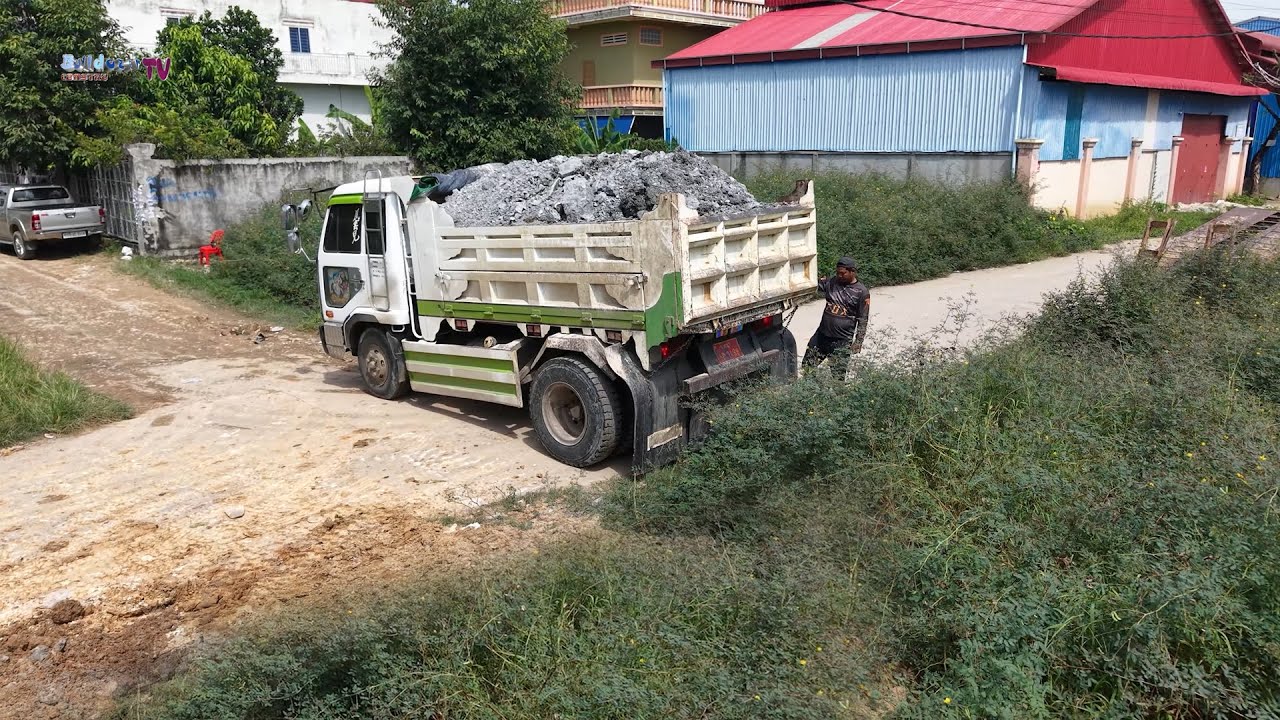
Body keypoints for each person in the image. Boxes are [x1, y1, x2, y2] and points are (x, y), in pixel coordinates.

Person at [803, 256, 870, 372]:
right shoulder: (831, 282)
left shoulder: (861, 292)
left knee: (837, 375)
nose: (839, 276)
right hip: (822, 336)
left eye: (843, 273)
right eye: (837, 273)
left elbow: (863, 319)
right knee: (807, 368)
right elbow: (812, 283)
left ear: (852, 271)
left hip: (842, 341)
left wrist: (859, 341)